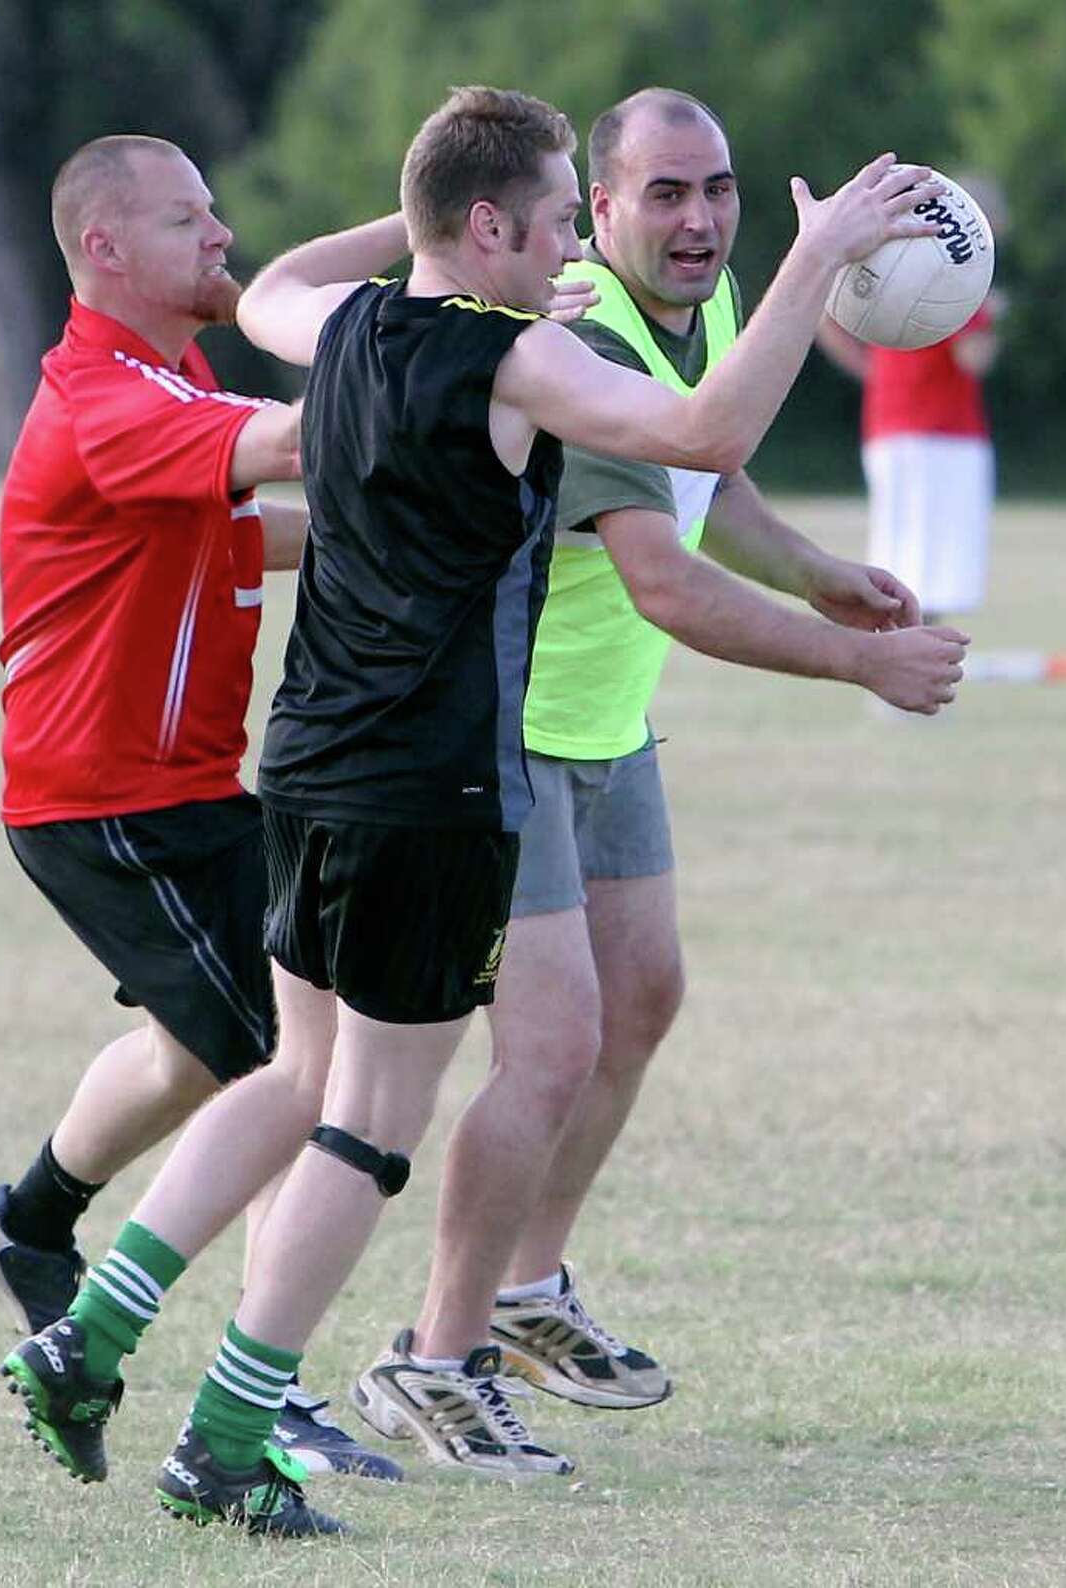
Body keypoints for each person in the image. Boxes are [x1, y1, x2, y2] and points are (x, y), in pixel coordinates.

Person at [0, 86, 962, 1537]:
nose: (576, 249)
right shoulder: (519, 362)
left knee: (299, 1078)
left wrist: (417, 217)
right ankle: (228, 1438)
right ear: (494, 227)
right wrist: (819, 259)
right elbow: (706, 432)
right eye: (565, 218)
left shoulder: (346, 328)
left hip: (303, 768)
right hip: (430, 787)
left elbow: (277, 286)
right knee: (366, 1130)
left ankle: (91, 1337)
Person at [348, 89, 972, 1467]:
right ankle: (433, 1359)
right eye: (665, 194)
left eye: (718, 189)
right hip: (503, 737)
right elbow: (664, 582)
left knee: (643, 998)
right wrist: (857, 662)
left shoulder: (702, 303)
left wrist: (816, 571)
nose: (700, 220)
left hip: (605, 726)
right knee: (547, 1049)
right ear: (602, 210)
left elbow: (709, 475)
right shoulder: (577, 333)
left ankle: (525, 1292)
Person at [0, 132, 402, 1484]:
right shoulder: (109, 398)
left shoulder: (169, 378)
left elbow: (246, 525)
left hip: (169, 791)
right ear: (105, 248)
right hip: (113, 801)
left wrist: (429, 523)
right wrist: (449, 337)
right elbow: (296, 440)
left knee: (202, 1047)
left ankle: (26, 1224)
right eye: (187, 217)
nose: (221, 234)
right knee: (293, 1062)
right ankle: (271, 1389)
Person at [816, 175, 1007, 626]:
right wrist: (991, 317)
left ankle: (896, 647)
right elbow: (974, 358)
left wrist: (870, 370)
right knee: (933, 566)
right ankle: (912, 651)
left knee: (898, 553)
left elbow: (825, 315)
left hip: (888, 425)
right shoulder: (957, 274)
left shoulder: (896, 255)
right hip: (944, 433)